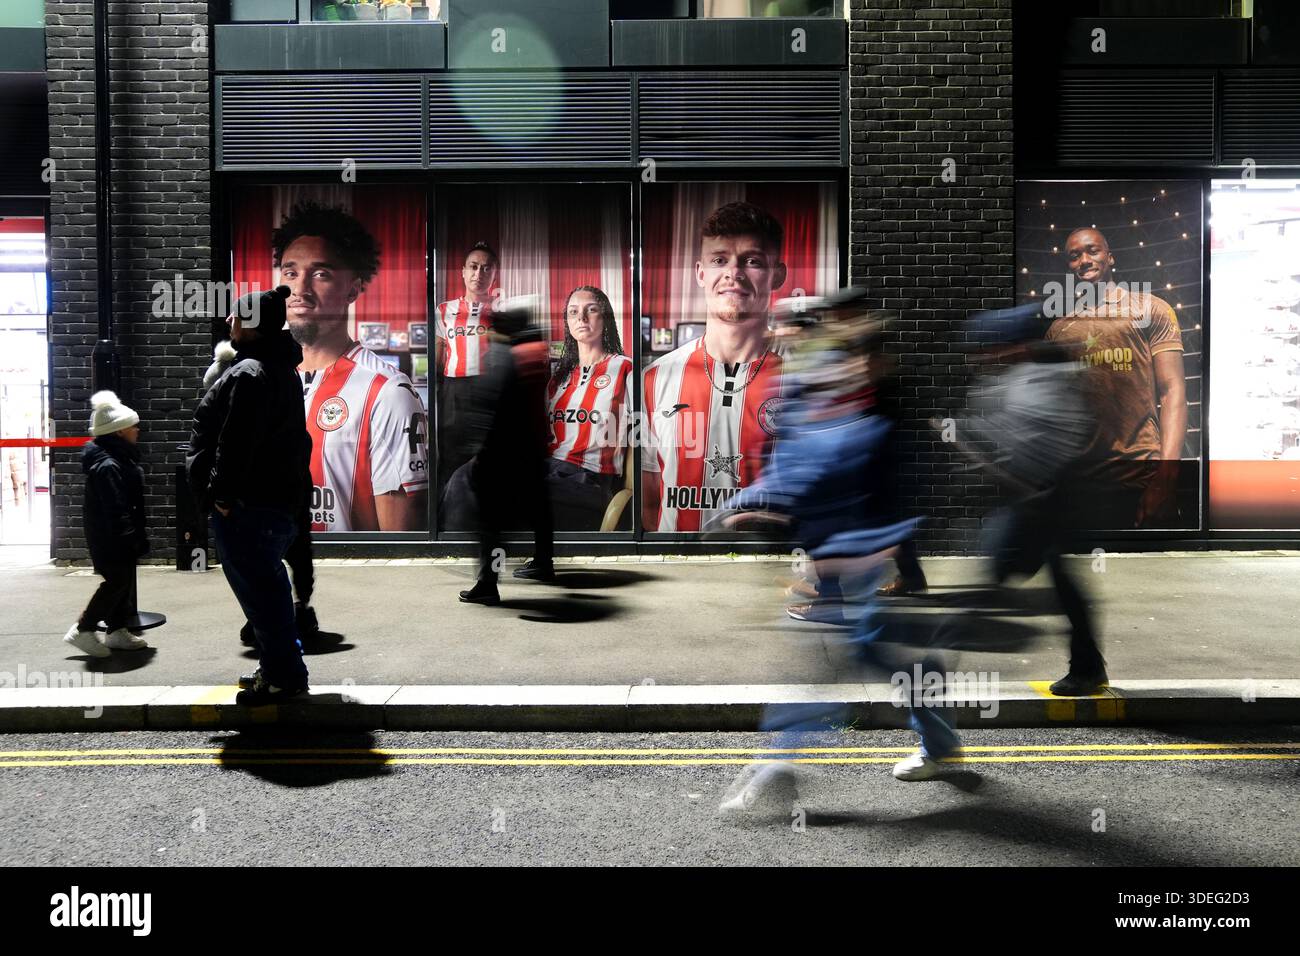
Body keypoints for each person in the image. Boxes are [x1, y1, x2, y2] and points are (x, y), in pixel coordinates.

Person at [186, 286, 313, 704]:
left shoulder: (249, 374)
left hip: (248, 505)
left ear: (253, 326)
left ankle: (282, 678)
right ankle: (280, 668)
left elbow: (234, 442)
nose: (229, 322)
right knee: (269, 590)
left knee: (262, 594)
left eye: (237, 317)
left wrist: (221, 494)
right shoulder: (281, 369)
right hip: (274, 501)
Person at [273, 201, 429, 533]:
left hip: (345, 578)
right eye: (290, 272)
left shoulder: (387, 392)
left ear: (353, 290)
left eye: (321, 274)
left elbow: (400, 544)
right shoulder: (258, 381)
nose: (300, 290)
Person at [642, 202, 787, 533]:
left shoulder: (802, 379)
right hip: (676, 571)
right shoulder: (655, 379)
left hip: (765, 568)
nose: (733, 274)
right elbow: (649, 498)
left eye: (752, 261)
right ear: (700, 273)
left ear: (777, 275)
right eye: (719, 260)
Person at [1045, 227, 1187, 529]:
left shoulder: (1151, 309)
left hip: (1141, 477)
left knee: (1150, 573)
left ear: (1110, 257)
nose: (1084, 260)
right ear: (1068, 267)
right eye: (1074, 256)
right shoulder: (1059, 329)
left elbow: (1172, 391)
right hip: (1079, 483)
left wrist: (1166, 478)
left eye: (1092, 250)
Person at [205, 332, 322, 646]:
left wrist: (224, 496)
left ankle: (276, 640)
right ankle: (294, 616)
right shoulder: (283, 376)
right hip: (287, 487)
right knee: (285, 558)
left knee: (258, 565)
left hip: (259, 494)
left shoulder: (244, 378)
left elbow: (234, 445)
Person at [457, 297, 555, 605]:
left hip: (501, 457)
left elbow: (490, 406)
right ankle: (544, 563)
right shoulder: (535, 351)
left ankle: (489, 581)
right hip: (531, 452)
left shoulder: (503, 355)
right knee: (539, 514)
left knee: (491, 526)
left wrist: (477, 449)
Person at [63, 391, 150, 657]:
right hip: (110, 536)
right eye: (132, 425)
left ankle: (116, 631)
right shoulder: (108, 465)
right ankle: (83, 629)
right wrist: (130, 536)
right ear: (119, 431)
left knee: (122, 581)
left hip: (114, 534)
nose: (137, 429)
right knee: (116, 581)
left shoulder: (117, 459)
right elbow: (115, 507)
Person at [435, 241, 499, 491]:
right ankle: (448, 522)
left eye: (486, 268)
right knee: (451, 456)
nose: (479, 273)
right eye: (473, 267)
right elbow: (438, 357)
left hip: (490, 392)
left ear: (494, 273)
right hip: (455, 391)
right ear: (463, 271)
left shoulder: (502, 311)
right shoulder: (444, 310)